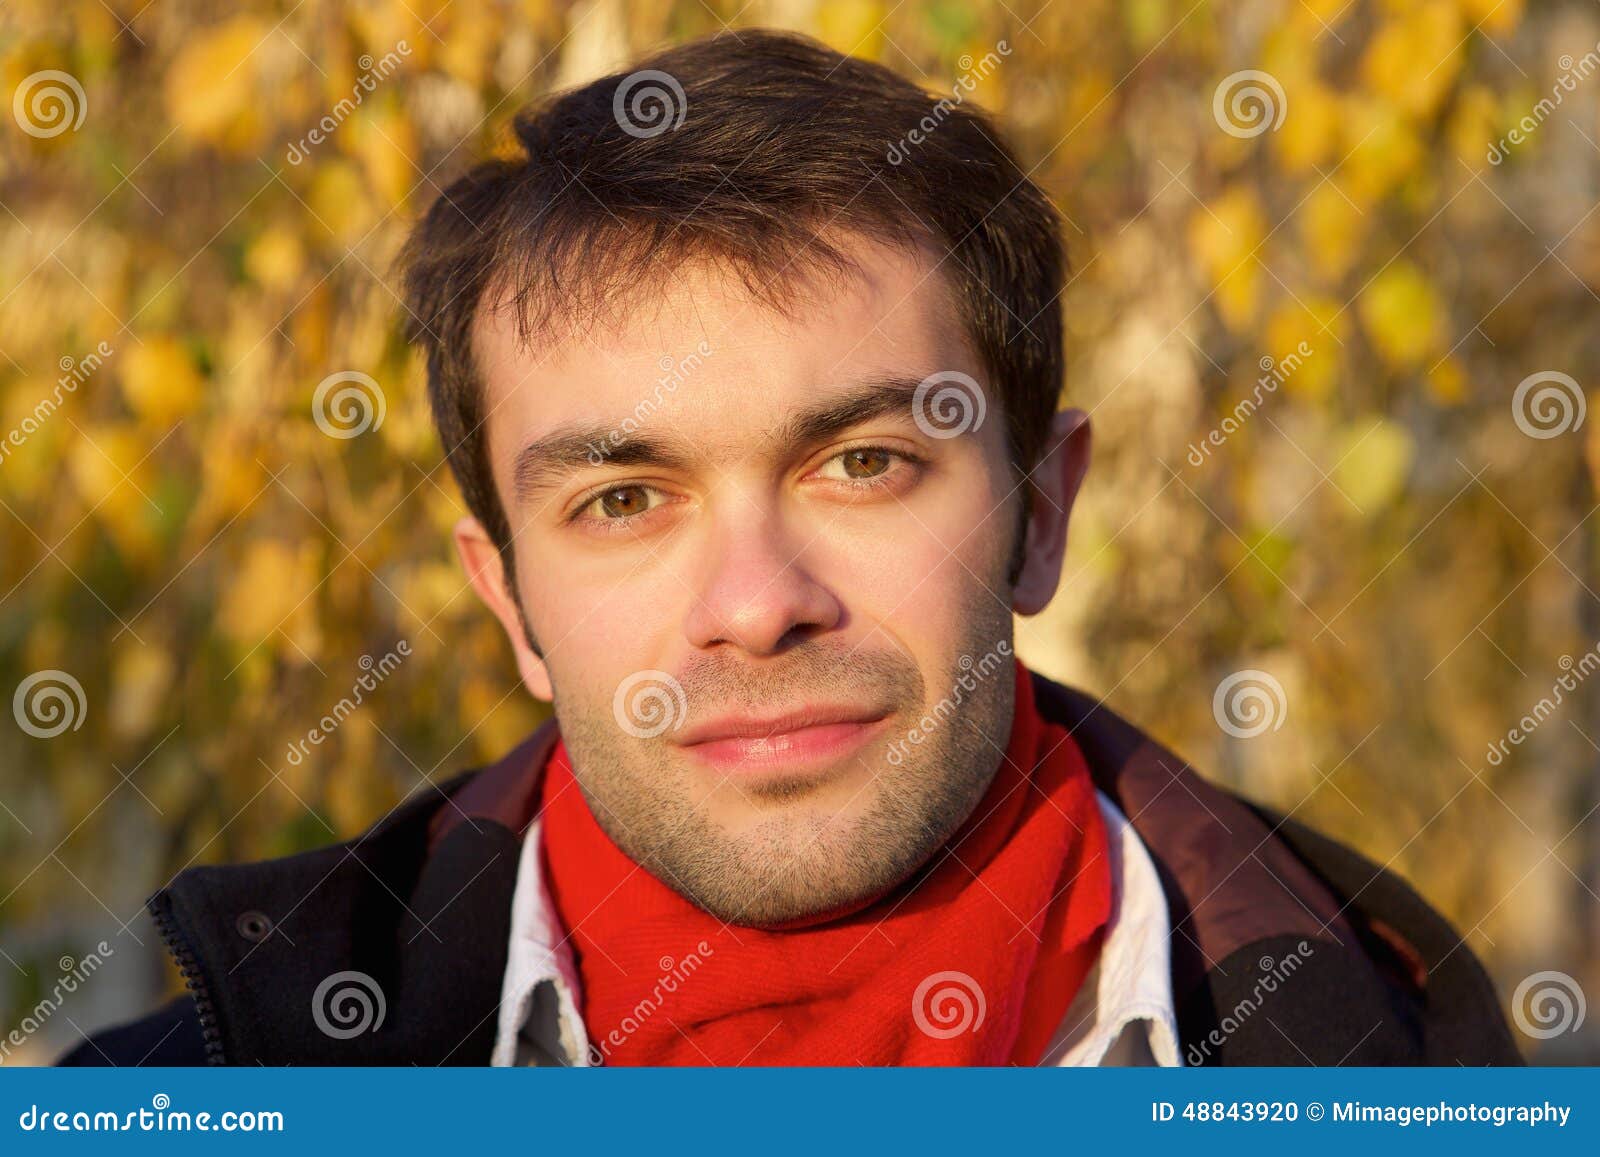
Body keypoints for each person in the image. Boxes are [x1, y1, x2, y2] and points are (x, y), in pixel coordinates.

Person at [63, 29, 1517, 1067]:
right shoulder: (198, 1089)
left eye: (867, 463)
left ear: (1043, 513)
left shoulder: (1407, 1069)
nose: (758, 607)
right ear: (508, 596)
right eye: (623, 497)